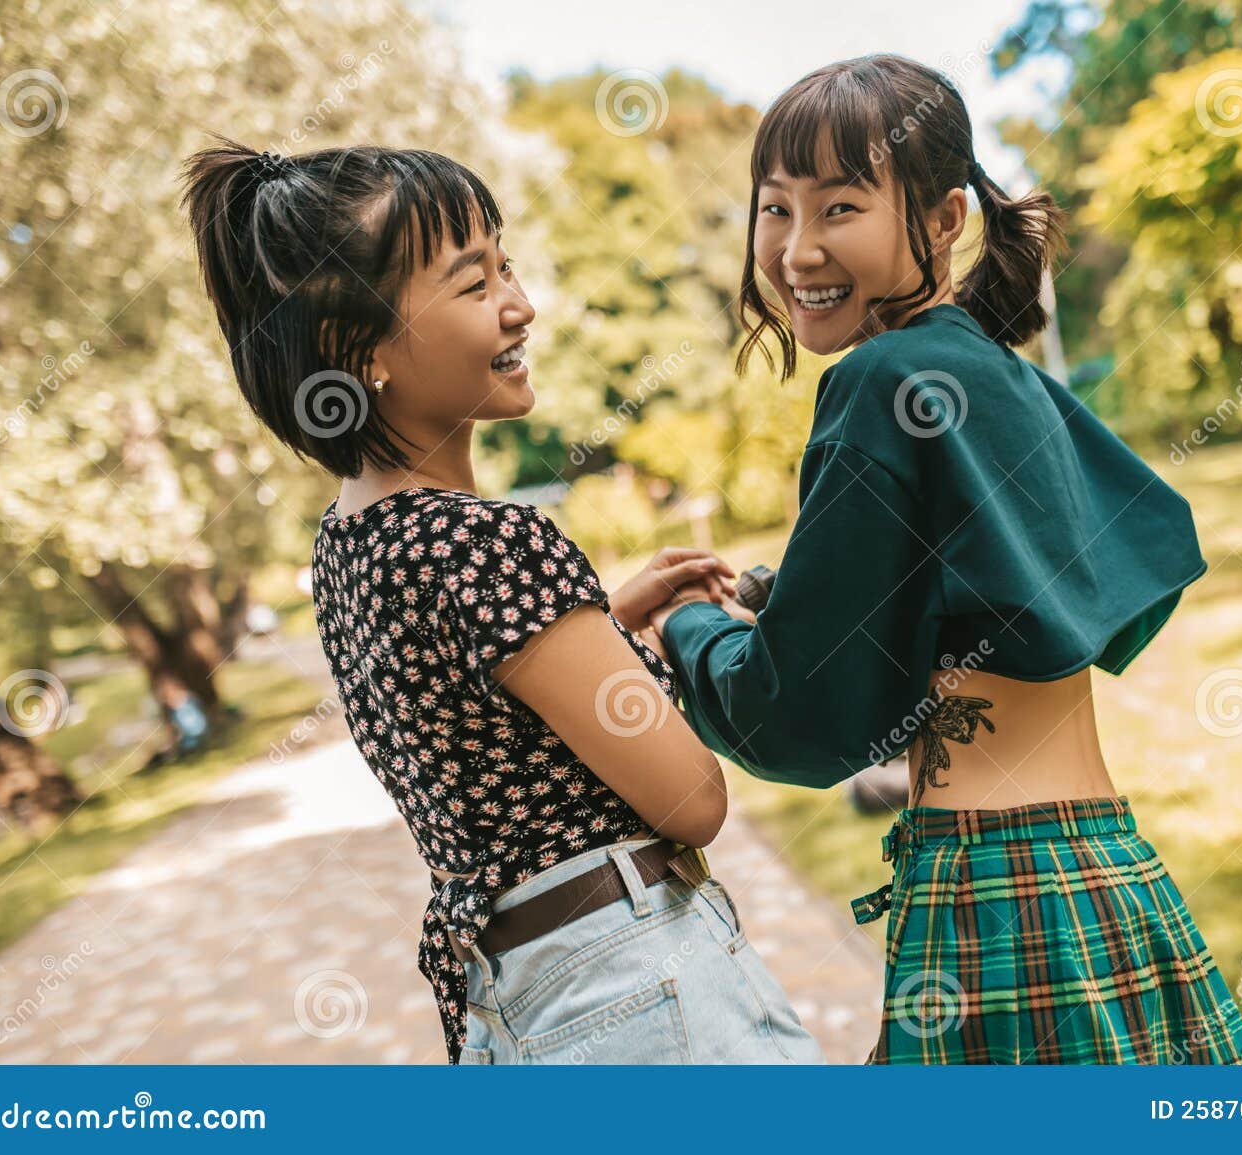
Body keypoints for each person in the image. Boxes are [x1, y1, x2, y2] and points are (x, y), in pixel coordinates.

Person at [645, 55, 1242, 1065]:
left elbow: (798, 719)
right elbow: (1016, 590)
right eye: (774, 211)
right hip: (1108, 872)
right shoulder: (995, 373)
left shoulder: (879, 379)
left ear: (941, 220)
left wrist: (688, 627)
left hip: (992, 897)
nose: (798, 251)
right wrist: (781, 595)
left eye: (839, 208)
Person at [179, 138, 821, 1065]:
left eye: (505, 264)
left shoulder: (350, 547)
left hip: (516, 1004)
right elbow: (693, 799)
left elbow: (476, 710)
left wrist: (603, 620)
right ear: (358, 353)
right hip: (638, 986)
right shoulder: (492, 544)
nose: (521, 304)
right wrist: (665, 642)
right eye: (473, 284)